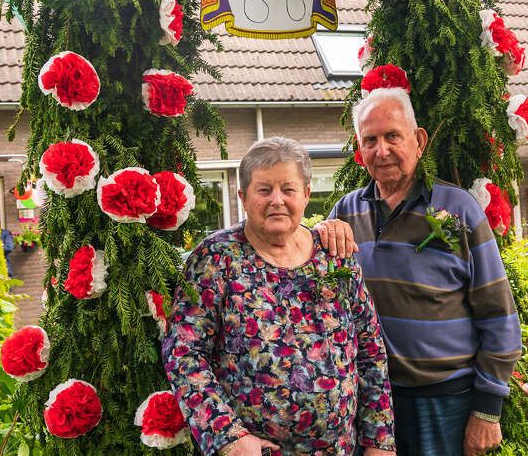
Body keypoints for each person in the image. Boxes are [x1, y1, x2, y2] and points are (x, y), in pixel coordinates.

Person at [162, 137, 396, 456]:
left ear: (306, 194)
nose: (277, 200)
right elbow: (183, 352)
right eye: (264, 190)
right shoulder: (215, 259)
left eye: (288, 189)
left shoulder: (335, 256)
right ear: (243, 197)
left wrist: (379, 442)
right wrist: (228, 438)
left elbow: (370, 351)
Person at [324, 88, 522, 456]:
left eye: (392, 136)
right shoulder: (345, 213)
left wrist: (487, 408)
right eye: (370, 140)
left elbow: (499, 314)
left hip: (447, 402)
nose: (381, 150)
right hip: (369, 402)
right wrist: (321, 231)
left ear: (418, 141)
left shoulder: (458, 209)